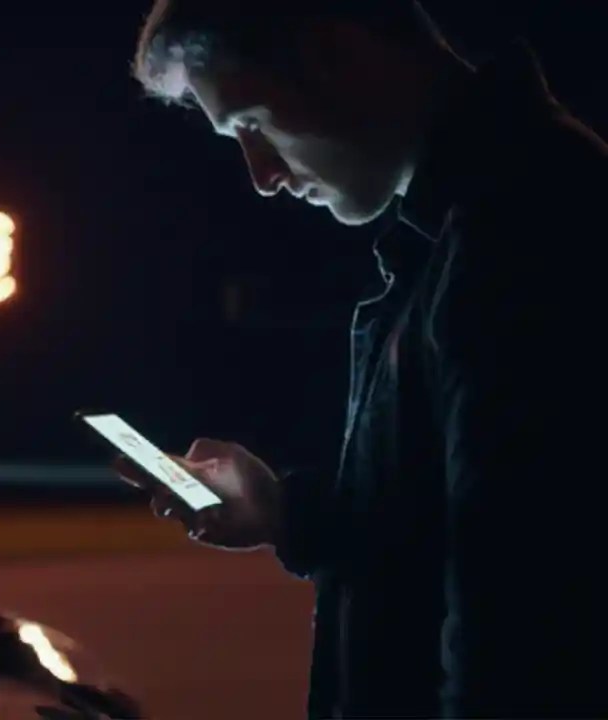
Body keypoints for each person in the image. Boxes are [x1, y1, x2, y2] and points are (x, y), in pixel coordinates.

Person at [119, 1, 608, 717]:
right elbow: (437, 539)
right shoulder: (460, 226)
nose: (261, 176)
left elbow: (524, 627)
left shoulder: (529, 229)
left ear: (338, 49)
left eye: (252, 122)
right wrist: (287, 514)